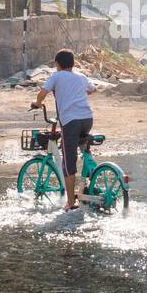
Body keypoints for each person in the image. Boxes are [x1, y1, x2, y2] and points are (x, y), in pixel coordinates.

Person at [31, 49, 97, 211]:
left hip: (70, 122)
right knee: (82, 148)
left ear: (57, 64)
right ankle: (86, 184)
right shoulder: (80, 77)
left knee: (68, 162)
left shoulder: (56, 76)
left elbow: (42, 93)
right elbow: (92, 89)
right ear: (73, 64)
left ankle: (71, 202)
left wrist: (37, 104)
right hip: (87, 119)